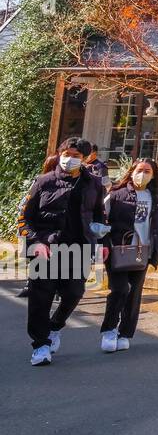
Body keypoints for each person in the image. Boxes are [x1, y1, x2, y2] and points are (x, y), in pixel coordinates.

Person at [19, 138, 106, 366]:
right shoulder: (43, 182)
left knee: (74, 292)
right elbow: (23, 218)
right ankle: (40, 345)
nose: (70, 159)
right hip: (45, 249)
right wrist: (36, 241)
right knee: (40, 299)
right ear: (59, 154)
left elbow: (99, 215)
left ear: (85, 158)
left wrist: (100, 236)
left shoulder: (94, 185)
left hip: (78, 249)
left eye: (76, 156)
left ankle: (55, 326)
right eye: (66, 153)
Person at [100, 159, 158, 353]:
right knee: (119, 289)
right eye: (139, 170)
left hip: (143, 251)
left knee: (134, 294)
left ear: (153, 175)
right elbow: (101, 218)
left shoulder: (157, 198)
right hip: (118, 249)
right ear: (132, 172)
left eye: (147, 171)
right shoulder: (116, 194)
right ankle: (109, 329)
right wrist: (99, 244)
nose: (142, 174)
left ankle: (125, 333)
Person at [16, 155, 60, 300]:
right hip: (36, 228)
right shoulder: (41, 181)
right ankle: (32, 285)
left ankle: (52, 288)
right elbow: (26, 204)